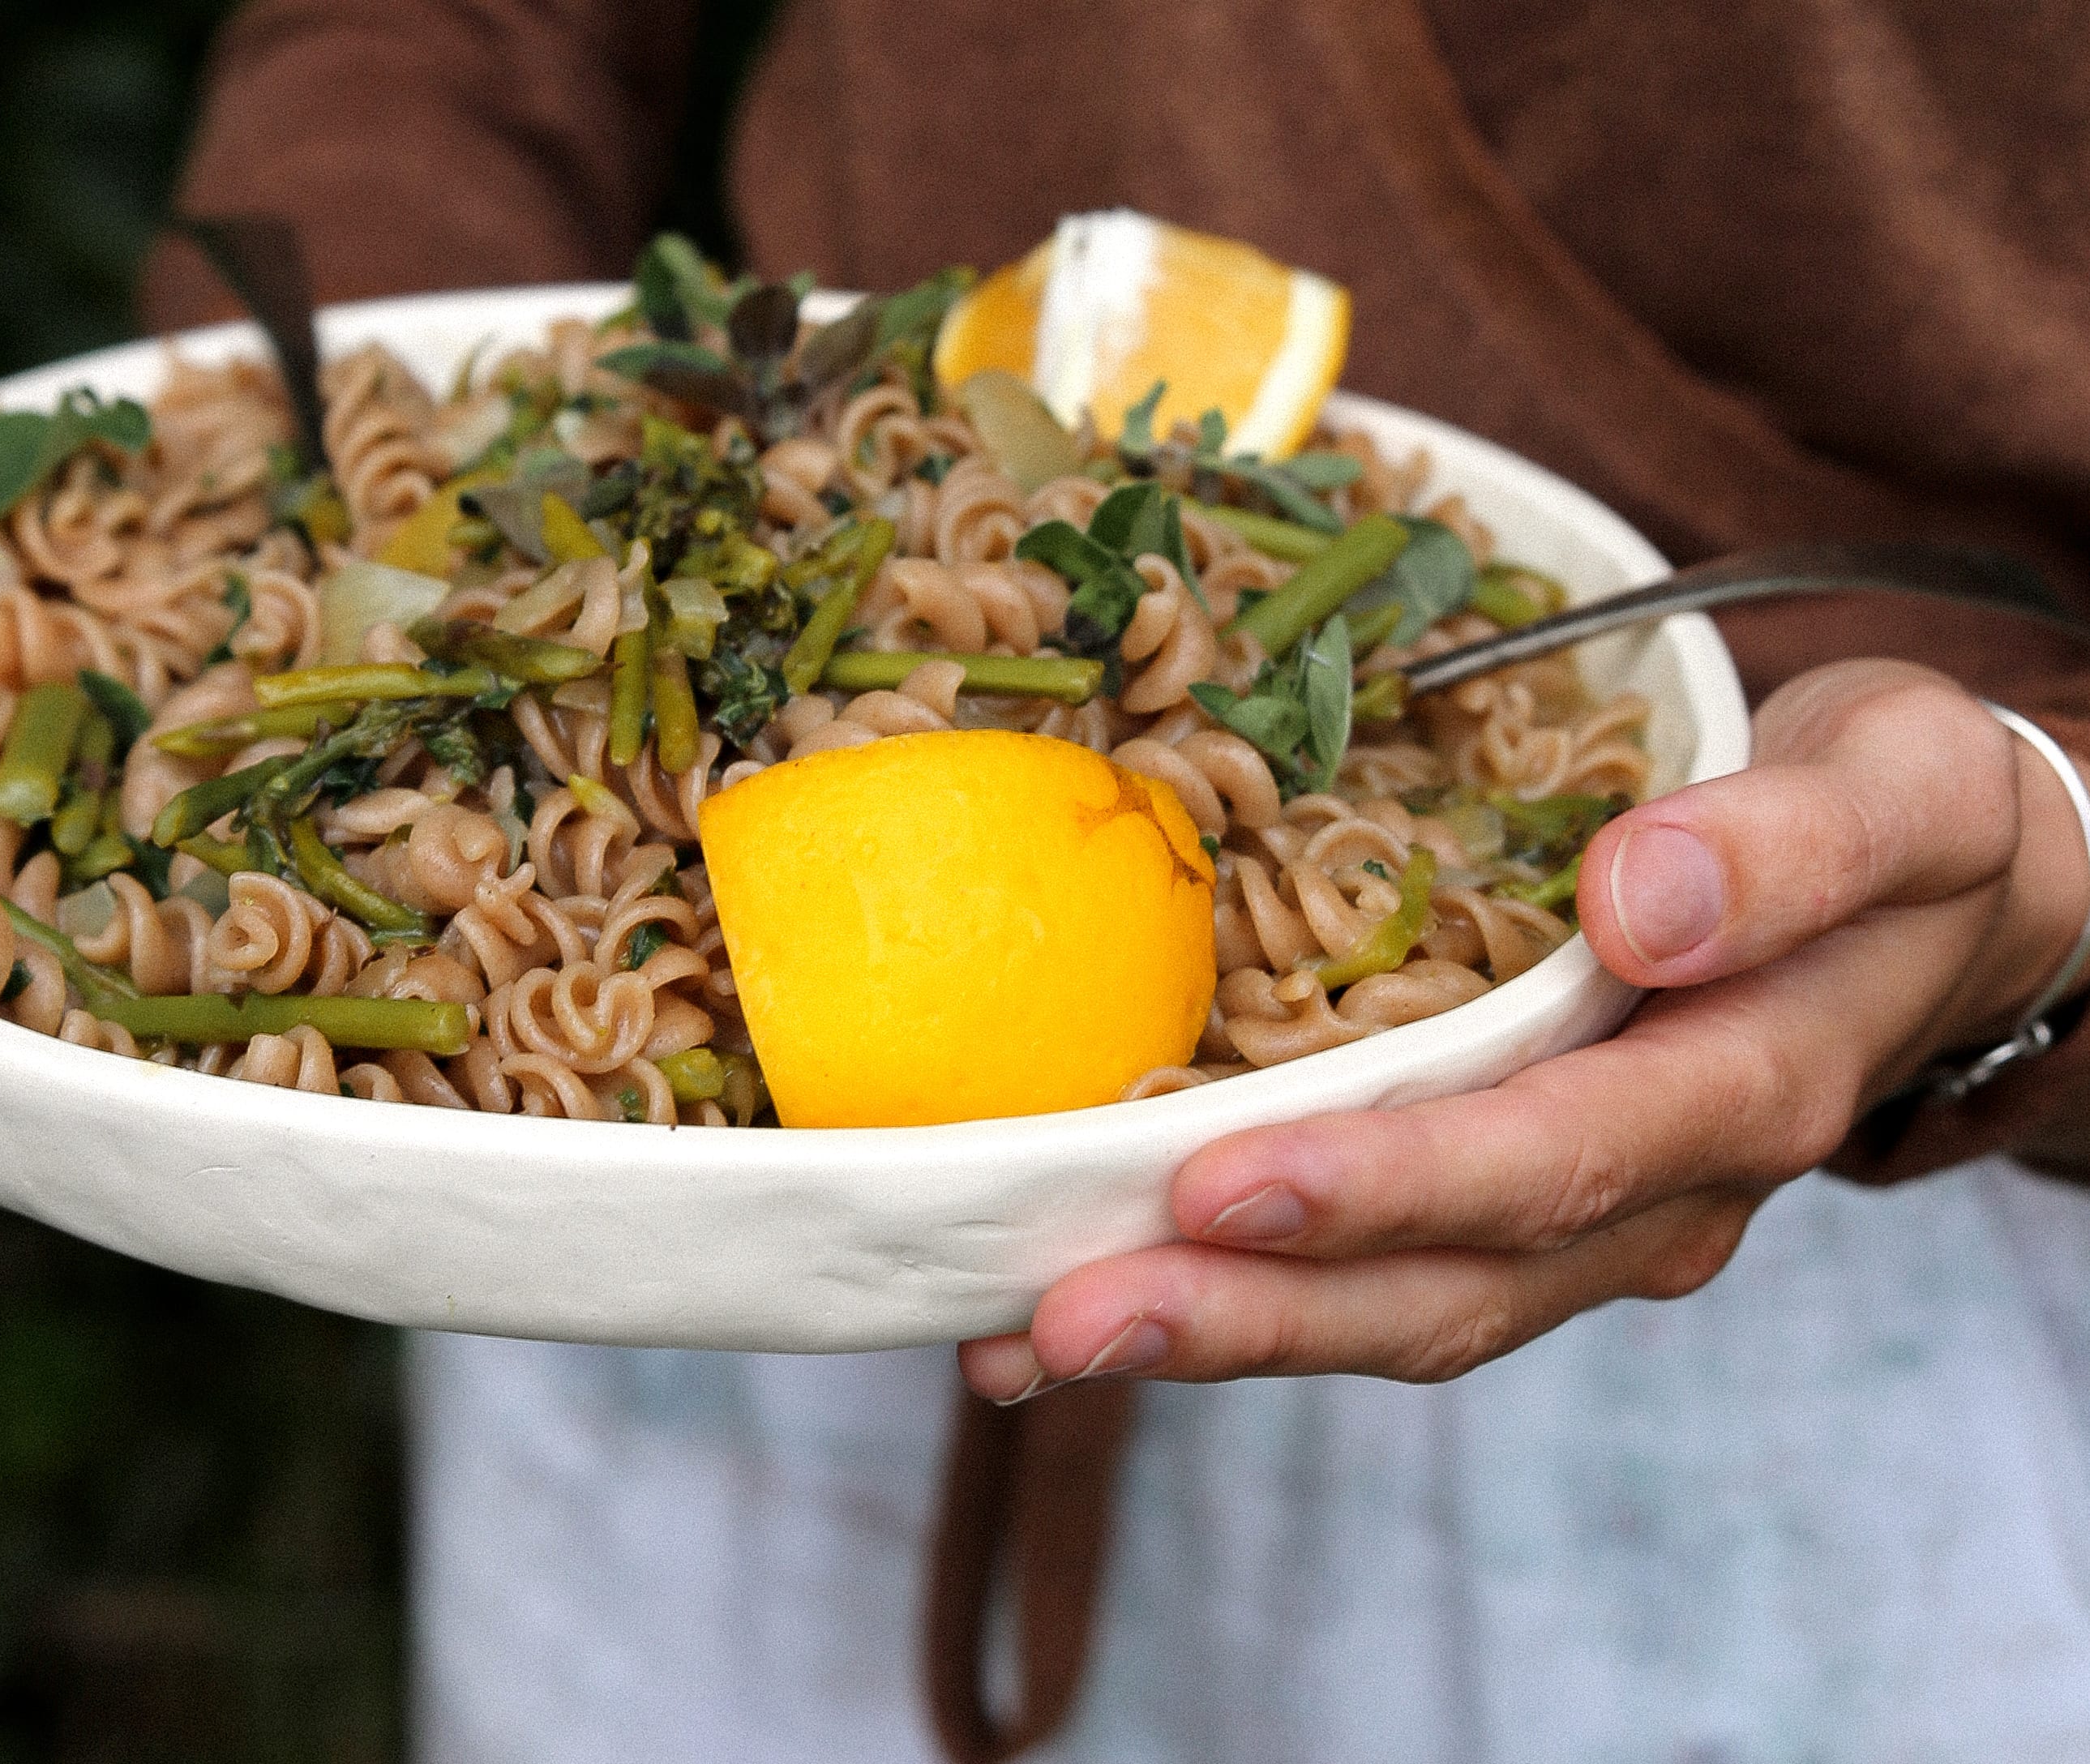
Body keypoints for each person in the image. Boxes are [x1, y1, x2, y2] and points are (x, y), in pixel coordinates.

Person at [143, 3, 2090, 1757]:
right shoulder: (538, 933)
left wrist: (2052, 847)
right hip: (660, 1184)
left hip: (1801, 1223)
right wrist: (345, 401)